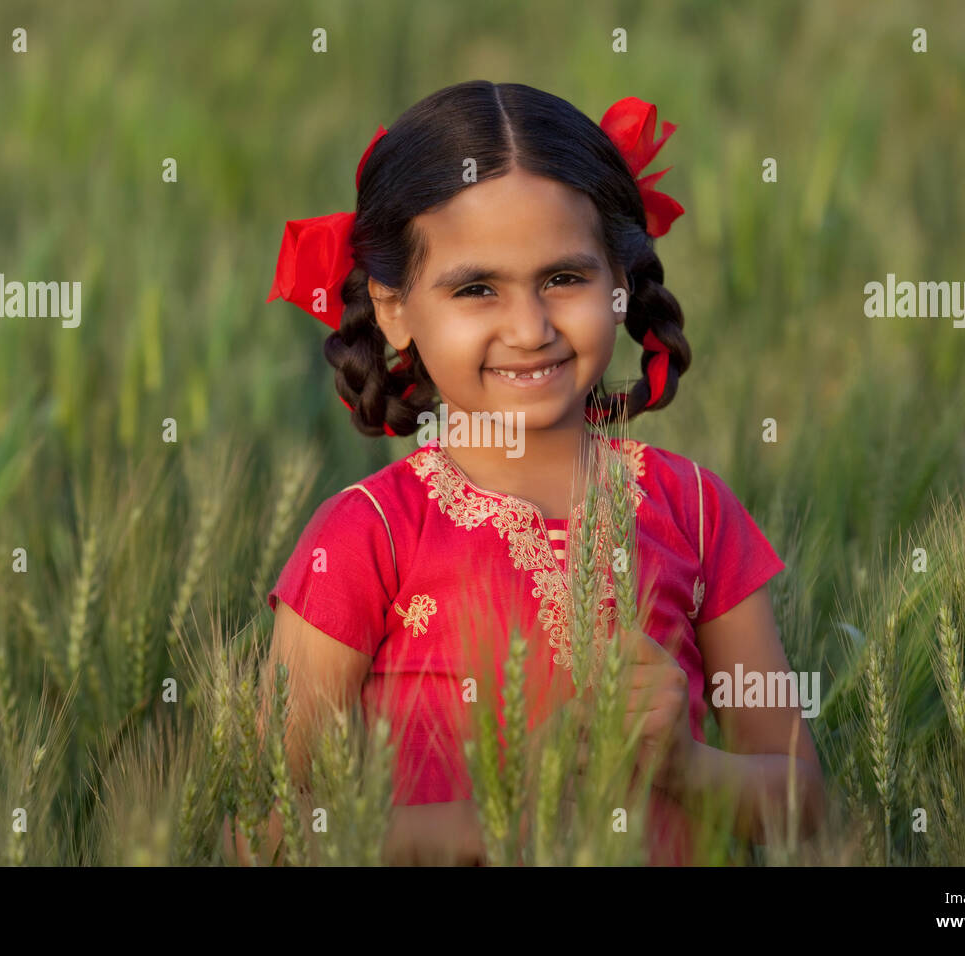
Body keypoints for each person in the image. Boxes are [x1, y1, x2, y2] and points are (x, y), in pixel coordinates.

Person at [239, 80, 824, 866]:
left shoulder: (695, 508)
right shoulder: (365, 536)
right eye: (477, 288)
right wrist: (491, 825)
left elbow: (805, 806)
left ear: (620, 280)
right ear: (393, 306)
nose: (530, 328)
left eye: (564, 279)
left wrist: (688, 765)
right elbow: (259, 833)